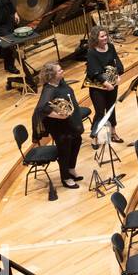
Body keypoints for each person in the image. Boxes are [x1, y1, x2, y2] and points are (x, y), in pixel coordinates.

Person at [34, 62, 84, 190]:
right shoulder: (49, 89)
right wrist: (59, 115)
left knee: (77, 140)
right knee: (65, 149)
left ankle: (71, 169)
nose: (62, 71)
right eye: (59, 70)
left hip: (68, 120)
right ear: (52, 75)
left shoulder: (61, 82)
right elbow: (41, 109)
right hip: (58, 125)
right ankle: (65, 177)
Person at [84, 26, 124, 143]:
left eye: (106, 35)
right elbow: (94, 71)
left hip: (112, 84)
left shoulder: (110, 47)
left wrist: (118, 75)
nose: (105, 38)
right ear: (95, 38)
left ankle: (113, 132)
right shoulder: (91, 52)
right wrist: (106, 83)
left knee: (111, 109)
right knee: (100, 112)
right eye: (102, 36)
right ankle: (95, 136)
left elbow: (116, 61)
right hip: (98, 87)